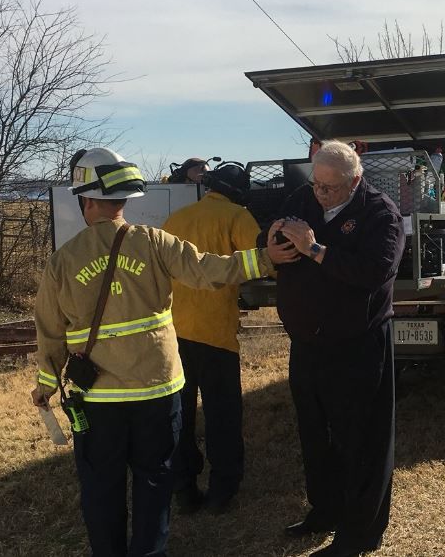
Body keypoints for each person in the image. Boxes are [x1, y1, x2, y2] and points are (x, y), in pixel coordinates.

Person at [30, 147, 270, 557]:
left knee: (101, 487)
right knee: (155, 480)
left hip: (99, 400)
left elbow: (50, 332)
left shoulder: (63, 262)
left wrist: (46, 386)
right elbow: (211, 270)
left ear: (86, 200)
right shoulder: (154, 242)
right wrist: (266, 258)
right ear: (123, 200)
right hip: (157, 393)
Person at [265, 140, 405, 557]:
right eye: (317, 184)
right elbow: (272, 233)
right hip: (307, 342)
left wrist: (315, 250)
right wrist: (272, 246)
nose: (321, 194)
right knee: (315, 434)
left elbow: (375, 271)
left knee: (360, 440)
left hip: (356, 344)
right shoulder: (301, 199)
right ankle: (324, 510)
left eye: (331, 188)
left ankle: (359, 534)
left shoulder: (380, 214)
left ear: (355, 180)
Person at [162, 162, 260, 515]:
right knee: (222, 416)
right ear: (239, 192)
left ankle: (184, 490)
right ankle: (222, 491)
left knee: (180, 417)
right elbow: (263, 259)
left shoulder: (176, 218)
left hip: (174, 333)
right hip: (215, 335)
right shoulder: (238, 216)